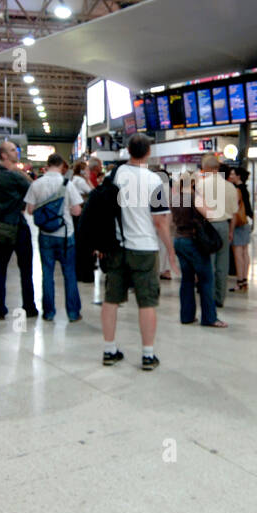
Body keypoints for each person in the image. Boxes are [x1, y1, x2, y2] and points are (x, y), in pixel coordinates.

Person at [100, 133, 176, 369]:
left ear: (128, 151)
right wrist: (171, 252)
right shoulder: (155, 180)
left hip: (117, 246)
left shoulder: (114, 175)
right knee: (147, 302)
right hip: (144, 248)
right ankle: (147, 354)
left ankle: (110, 350)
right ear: (148, 152)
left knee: (111, 299)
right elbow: (160, 222)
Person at [26, 154, 84, 322]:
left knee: (47, 274)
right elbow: (77, 211)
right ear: (61, 166)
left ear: (47, 165)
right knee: (69, 274)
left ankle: (49, 312)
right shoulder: (68, 185)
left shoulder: (36, 184)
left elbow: (30, 210)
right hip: (66, 235)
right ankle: (73, 313)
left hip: (45, 235)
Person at [0, 140, 36, 320]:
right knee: (25, 269)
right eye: (13, 150)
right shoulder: (15, 177)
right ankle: (29, 306)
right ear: (4, 155)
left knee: (0, 269)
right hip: (18, 226)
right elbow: (33, 191)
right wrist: (21, 172)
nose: (17, 152)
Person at [171, 171, 226, 328]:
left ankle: (187, 316)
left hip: (179, 240)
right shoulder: (194, 197)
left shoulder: (175, 198)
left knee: (187, 280)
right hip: (194, 242)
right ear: (194, 183)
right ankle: (209, 317)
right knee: (206, 280)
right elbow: (211, 215)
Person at [198, 154, 238, 308]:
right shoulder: (230, 186)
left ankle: (207, 296)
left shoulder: (201, 184)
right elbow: (234, 213)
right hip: (224, 225)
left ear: (207, 168)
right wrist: (231, 231)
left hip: (207, 227)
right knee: (222, 264)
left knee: (208, 263)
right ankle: (219, 298)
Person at [228, 166, 252, 292]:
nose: (230, 176)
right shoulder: (245, 189)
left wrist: (231, 229)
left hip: (238, 224)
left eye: (233, 174)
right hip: (247, 221)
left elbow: (234, 210)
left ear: (238, 176)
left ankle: (240, 281)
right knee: (245, 252)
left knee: (238, 253)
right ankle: (245, 280)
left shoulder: (237, 190)